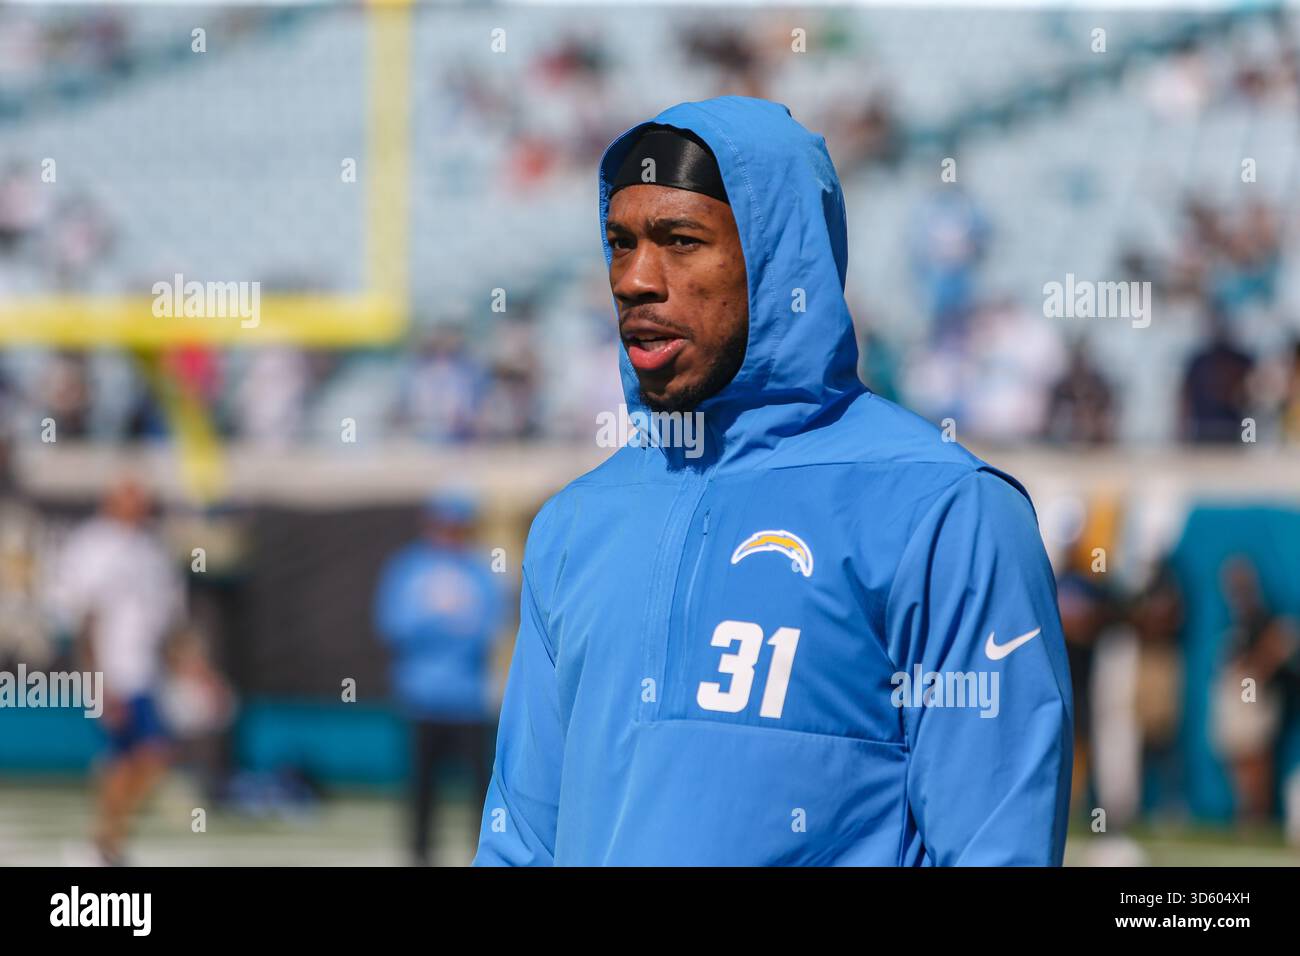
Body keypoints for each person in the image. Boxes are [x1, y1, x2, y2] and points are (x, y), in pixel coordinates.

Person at [473, 97, 1072, 866]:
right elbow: (520, 842)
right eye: (620, 244)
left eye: (680, 241)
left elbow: (997, 849)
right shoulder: (575, 523)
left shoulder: (945, 510)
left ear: (777, 256)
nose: (635, 279)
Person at [51, 477, 184, 866]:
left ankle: (107, 844)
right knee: (142, 756)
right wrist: (96, 681)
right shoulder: (94, 546)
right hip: (115, 671)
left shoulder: (151, 549)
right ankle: (103, 844)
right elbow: (84, 618)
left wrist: (187, 667)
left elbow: (169, 621)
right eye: (131, 498)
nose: (139, 505)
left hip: (146, 670)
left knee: (139, 761)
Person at [374, 493, 504, 865]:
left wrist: (449, 625)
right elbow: (394, 625)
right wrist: (444, 620)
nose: (449, 534)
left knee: (481, 789)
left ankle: (485, 854)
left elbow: (487, 628)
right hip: (422, 696)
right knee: (421, 790)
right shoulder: (408, 567)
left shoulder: (480, 570)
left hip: (467, 699)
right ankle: (419, 854)